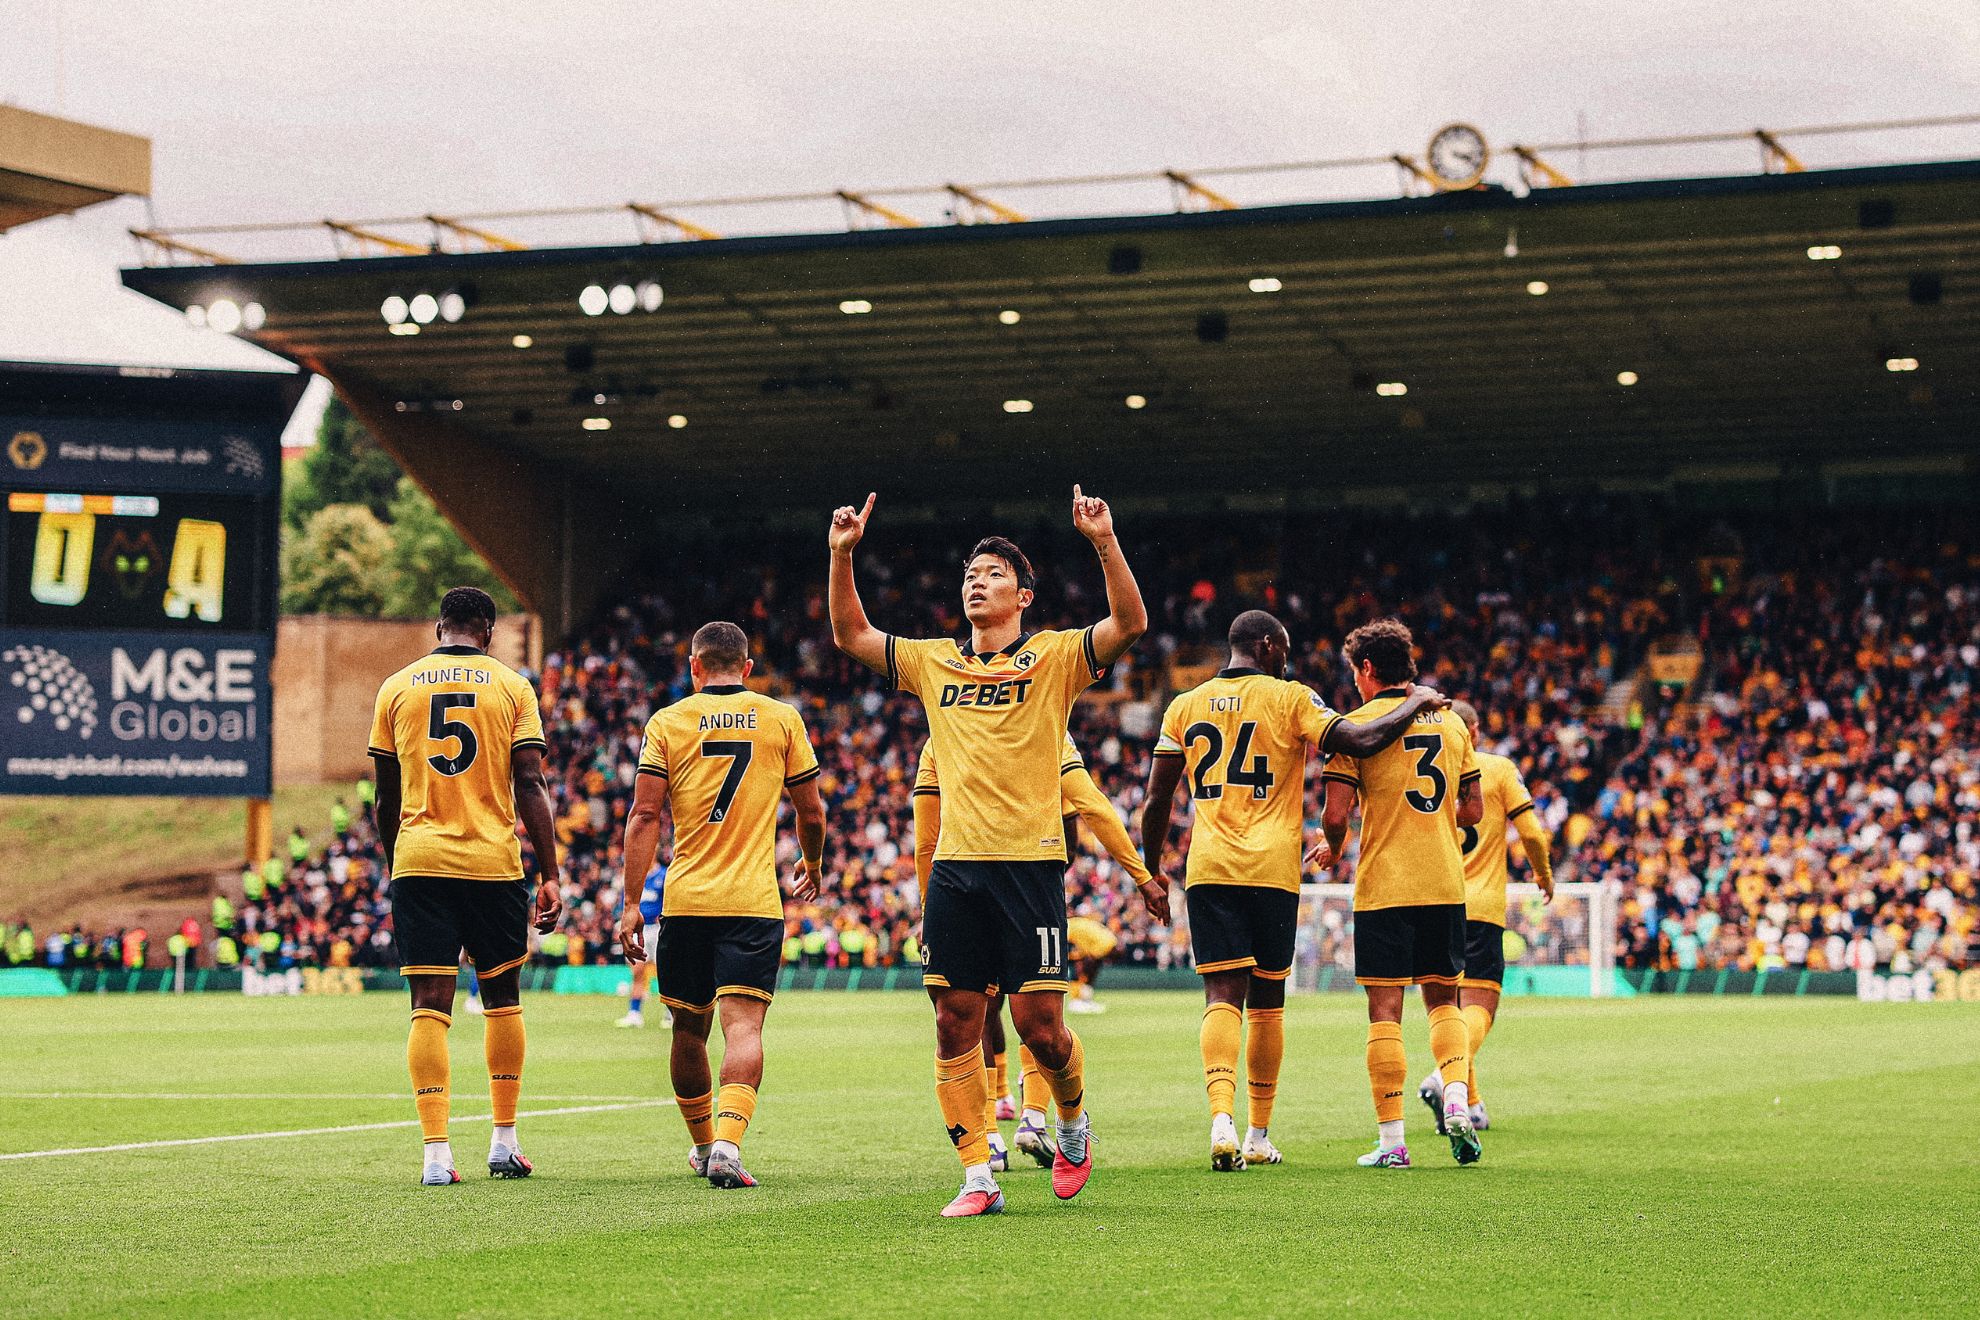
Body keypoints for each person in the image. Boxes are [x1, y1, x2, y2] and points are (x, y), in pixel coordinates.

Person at [830, 486, 1146, 1217]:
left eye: (995, 573)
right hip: (956, 872)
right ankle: (977, 1174)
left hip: (1031, 869)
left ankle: (1071, 1118)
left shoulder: (1057, 658)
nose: (977, 579)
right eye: (971, 573)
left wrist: (1103, 540)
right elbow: (852, 634)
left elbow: (1131, 621)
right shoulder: (935, 663)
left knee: (1042, 1029)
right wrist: (843, 556)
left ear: (1024, 596)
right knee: (953, 1021)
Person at [1142, 609, 1447, 1171]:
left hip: (1209, 869)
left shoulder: (1183, 706)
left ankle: (1220, 1118)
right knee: (1267, 1004)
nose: (1288, 658)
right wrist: (1415, 703)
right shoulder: (1289, 697)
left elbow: (1158, 800)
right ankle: (1257, 1133)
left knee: (1220, 997)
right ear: (1266, 645)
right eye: (1283, 649)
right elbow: (1359, 736)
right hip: (1272, 872)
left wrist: (1150, 870)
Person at [615, 621, 826, 1190]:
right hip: (753, 902)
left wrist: (632, 902)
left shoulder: (668, 722)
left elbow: (643, 817)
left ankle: (705, 1144)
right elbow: (811, 811)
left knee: (689, 1029)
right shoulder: (782, 719)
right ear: (749, 668)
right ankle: (731, 1145)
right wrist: (812, 862)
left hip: (686, 901)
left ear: (694, 667)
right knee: (744, 1028)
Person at [370, 586, 563, 1187]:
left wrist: (397, 858)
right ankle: (504, 1141)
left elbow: (384, 794)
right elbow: (529, 783)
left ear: (439, 628)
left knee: (428, 1006)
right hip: (490, 861)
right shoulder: (512, 687)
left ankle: (435, 1155)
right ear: (488, 630)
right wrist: (551, 872)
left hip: (419, 860)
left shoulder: (396, 687)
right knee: (502, 997)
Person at [912, 731, 1160, 1172]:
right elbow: (926, 834)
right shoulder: (947, 731)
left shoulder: (1041, 726)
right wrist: (929, 908)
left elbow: (1089, 806)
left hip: (1029, 881)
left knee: (1036, 1023)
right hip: (969, 882)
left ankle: (1044, 1117)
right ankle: (993, 1140)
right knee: (968, 1016)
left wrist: (1140, 875)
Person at [1310, 617, 1484, 1169]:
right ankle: (1457, 1097)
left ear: (1366, 669)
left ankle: (1392, 1144)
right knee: (1444, 999)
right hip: (1444, 881)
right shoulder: (1453, 725)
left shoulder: (1353, 727)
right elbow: (1473, 808)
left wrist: (1334, 847)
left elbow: (1335, 815)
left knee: (1385, 1012)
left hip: (1385, 884)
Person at [1417, 700, 1554, 1134]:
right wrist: (1542, 873)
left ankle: (1471, 1104)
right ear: (1474, 731)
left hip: (1430, 901)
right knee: (1480, 1007)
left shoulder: (1425, 774)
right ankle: (1445, 1079)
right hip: (1479, 906)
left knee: (1446, 1010)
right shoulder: (1495, 769)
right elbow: (1531, 830)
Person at [617, 859, 670, 1029]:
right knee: (637, 971)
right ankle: (634, 1013)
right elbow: (625, 900)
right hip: (639, 928)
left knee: (665, 972)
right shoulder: (634, 875)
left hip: (658, 928)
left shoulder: (663, 875)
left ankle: (670, 1014)